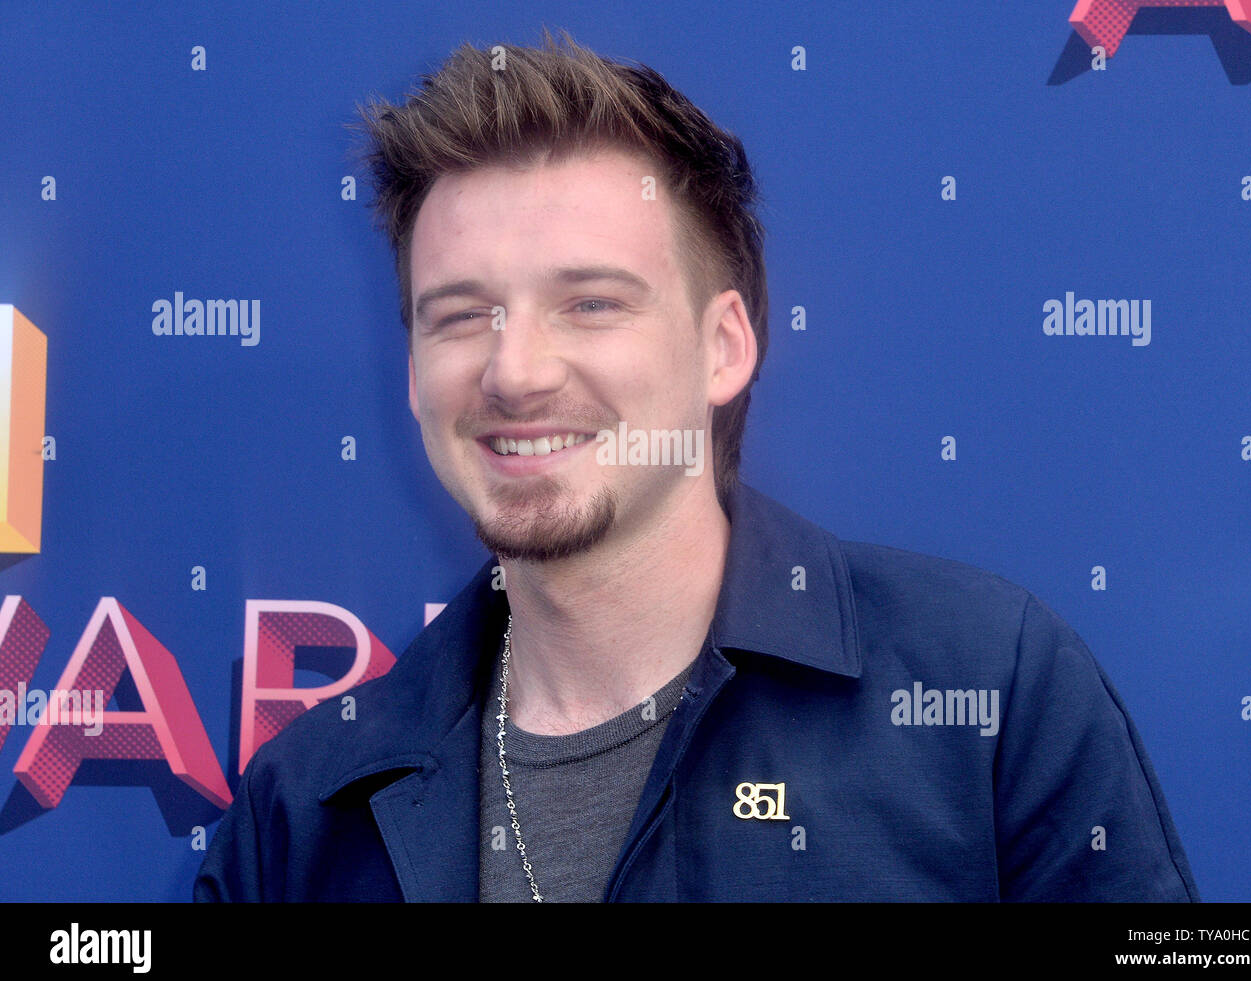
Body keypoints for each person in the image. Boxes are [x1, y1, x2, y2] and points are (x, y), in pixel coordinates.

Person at [194, 29, 1199, 902]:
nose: (514, 370)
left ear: (723, 346)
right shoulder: (311, 802)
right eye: (460, 316)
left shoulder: (987, 692)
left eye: (590, 302)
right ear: (413, 370)